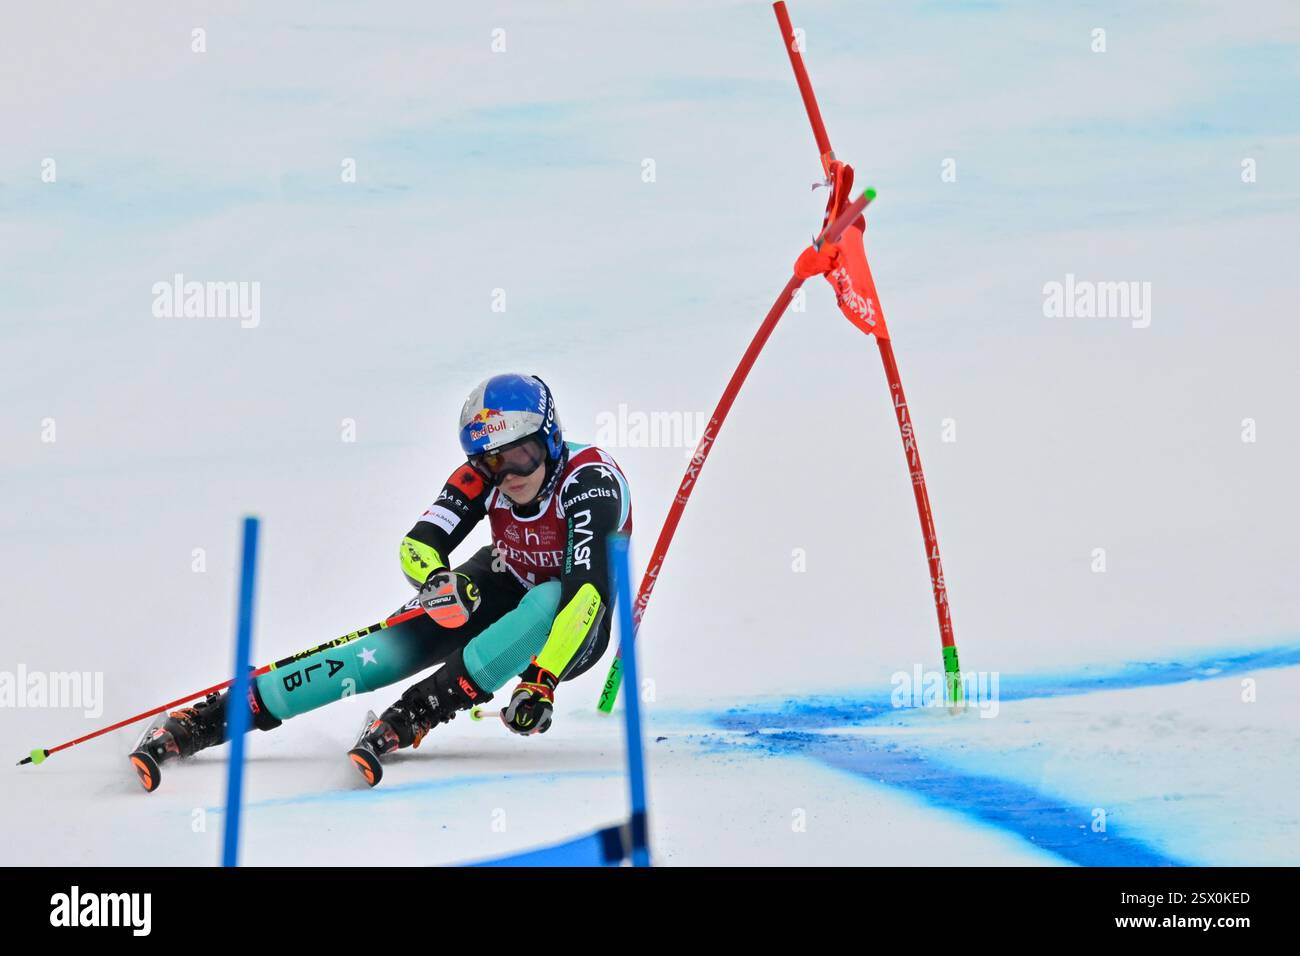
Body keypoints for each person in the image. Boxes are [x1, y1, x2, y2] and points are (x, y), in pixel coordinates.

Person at [130, 373, 633, 790]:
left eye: (519, 456)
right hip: (504, 574)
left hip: (574, 627)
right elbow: (417, 544)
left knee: (547, 599)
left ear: (548, 437)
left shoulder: (589, 482)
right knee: (383, 652)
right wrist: (438, 580)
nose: (505, 475)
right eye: (489, 462)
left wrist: (541, 681)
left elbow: (586, 592)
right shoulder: (481, 477)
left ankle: (417, 712)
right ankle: (214, 717)